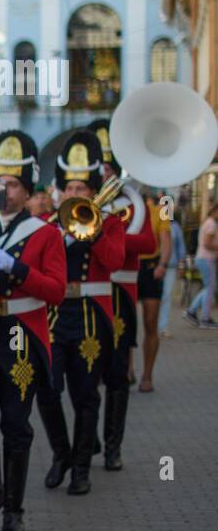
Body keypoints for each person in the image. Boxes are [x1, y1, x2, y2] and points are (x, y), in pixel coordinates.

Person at [0, 130, 65, 531]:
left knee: (17, 424)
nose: (5, 191)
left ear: (27, 188)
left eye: (14, 185)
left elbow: (55, 290)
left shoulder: (45, 233)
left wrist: (17, 269)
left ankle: (15, 509)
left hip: (21, 334)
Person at [34, 131, 125, 496]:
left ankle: (82, 468)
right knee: (47, 389)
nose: (74, 195)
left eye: (80, 190)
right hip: (55, 316)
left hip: (90, 315)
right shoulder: (45, 224)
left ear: (92, 193)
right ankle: (61, 454)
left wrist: (91, 229)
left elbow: (115, 263)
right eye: (68, 189)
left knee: (86, 395)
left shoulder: (110, 222)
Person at [88, 119, 155, 468]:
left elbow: (149, 242)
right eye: (101, 167)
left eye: (109, 166)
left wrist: (111, 238)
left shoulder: (132, 200)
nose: (105, 173)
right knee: (87, 374)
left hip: (122, 296)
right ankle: (90, 439)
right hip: (89, 295)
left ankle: (113, 445)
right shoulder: (80, 199)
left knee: (117, 374)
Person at [136, 192, 171, 393]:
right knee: (125, 324)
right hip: (128, 268)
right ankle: (127, 370)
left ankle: (147, 375)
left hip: (150, 268)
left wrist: (163, 264)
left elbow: (166, 239)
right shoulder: (127, 211)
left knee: (151, 323)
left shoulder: (161, 211)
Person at [185, 202, 217, 327]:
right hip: (207, 258)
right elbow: (207, 243)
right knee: (210, 287)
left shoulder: (208, 222)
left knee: (208, 287)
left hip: (203, 258)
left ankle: (192, 311)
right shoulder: (212, 224)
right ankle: (205, 318)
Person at [160, 215, 187, 335]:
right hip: (154, 265)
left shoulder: (175, 227)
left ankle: (163, 326)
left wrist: (181, 265)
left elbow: (180, 247)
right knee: (155, 297)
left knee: (166, 295)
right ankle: (153, 326)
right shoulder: (154, 222)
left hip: (171, 266)